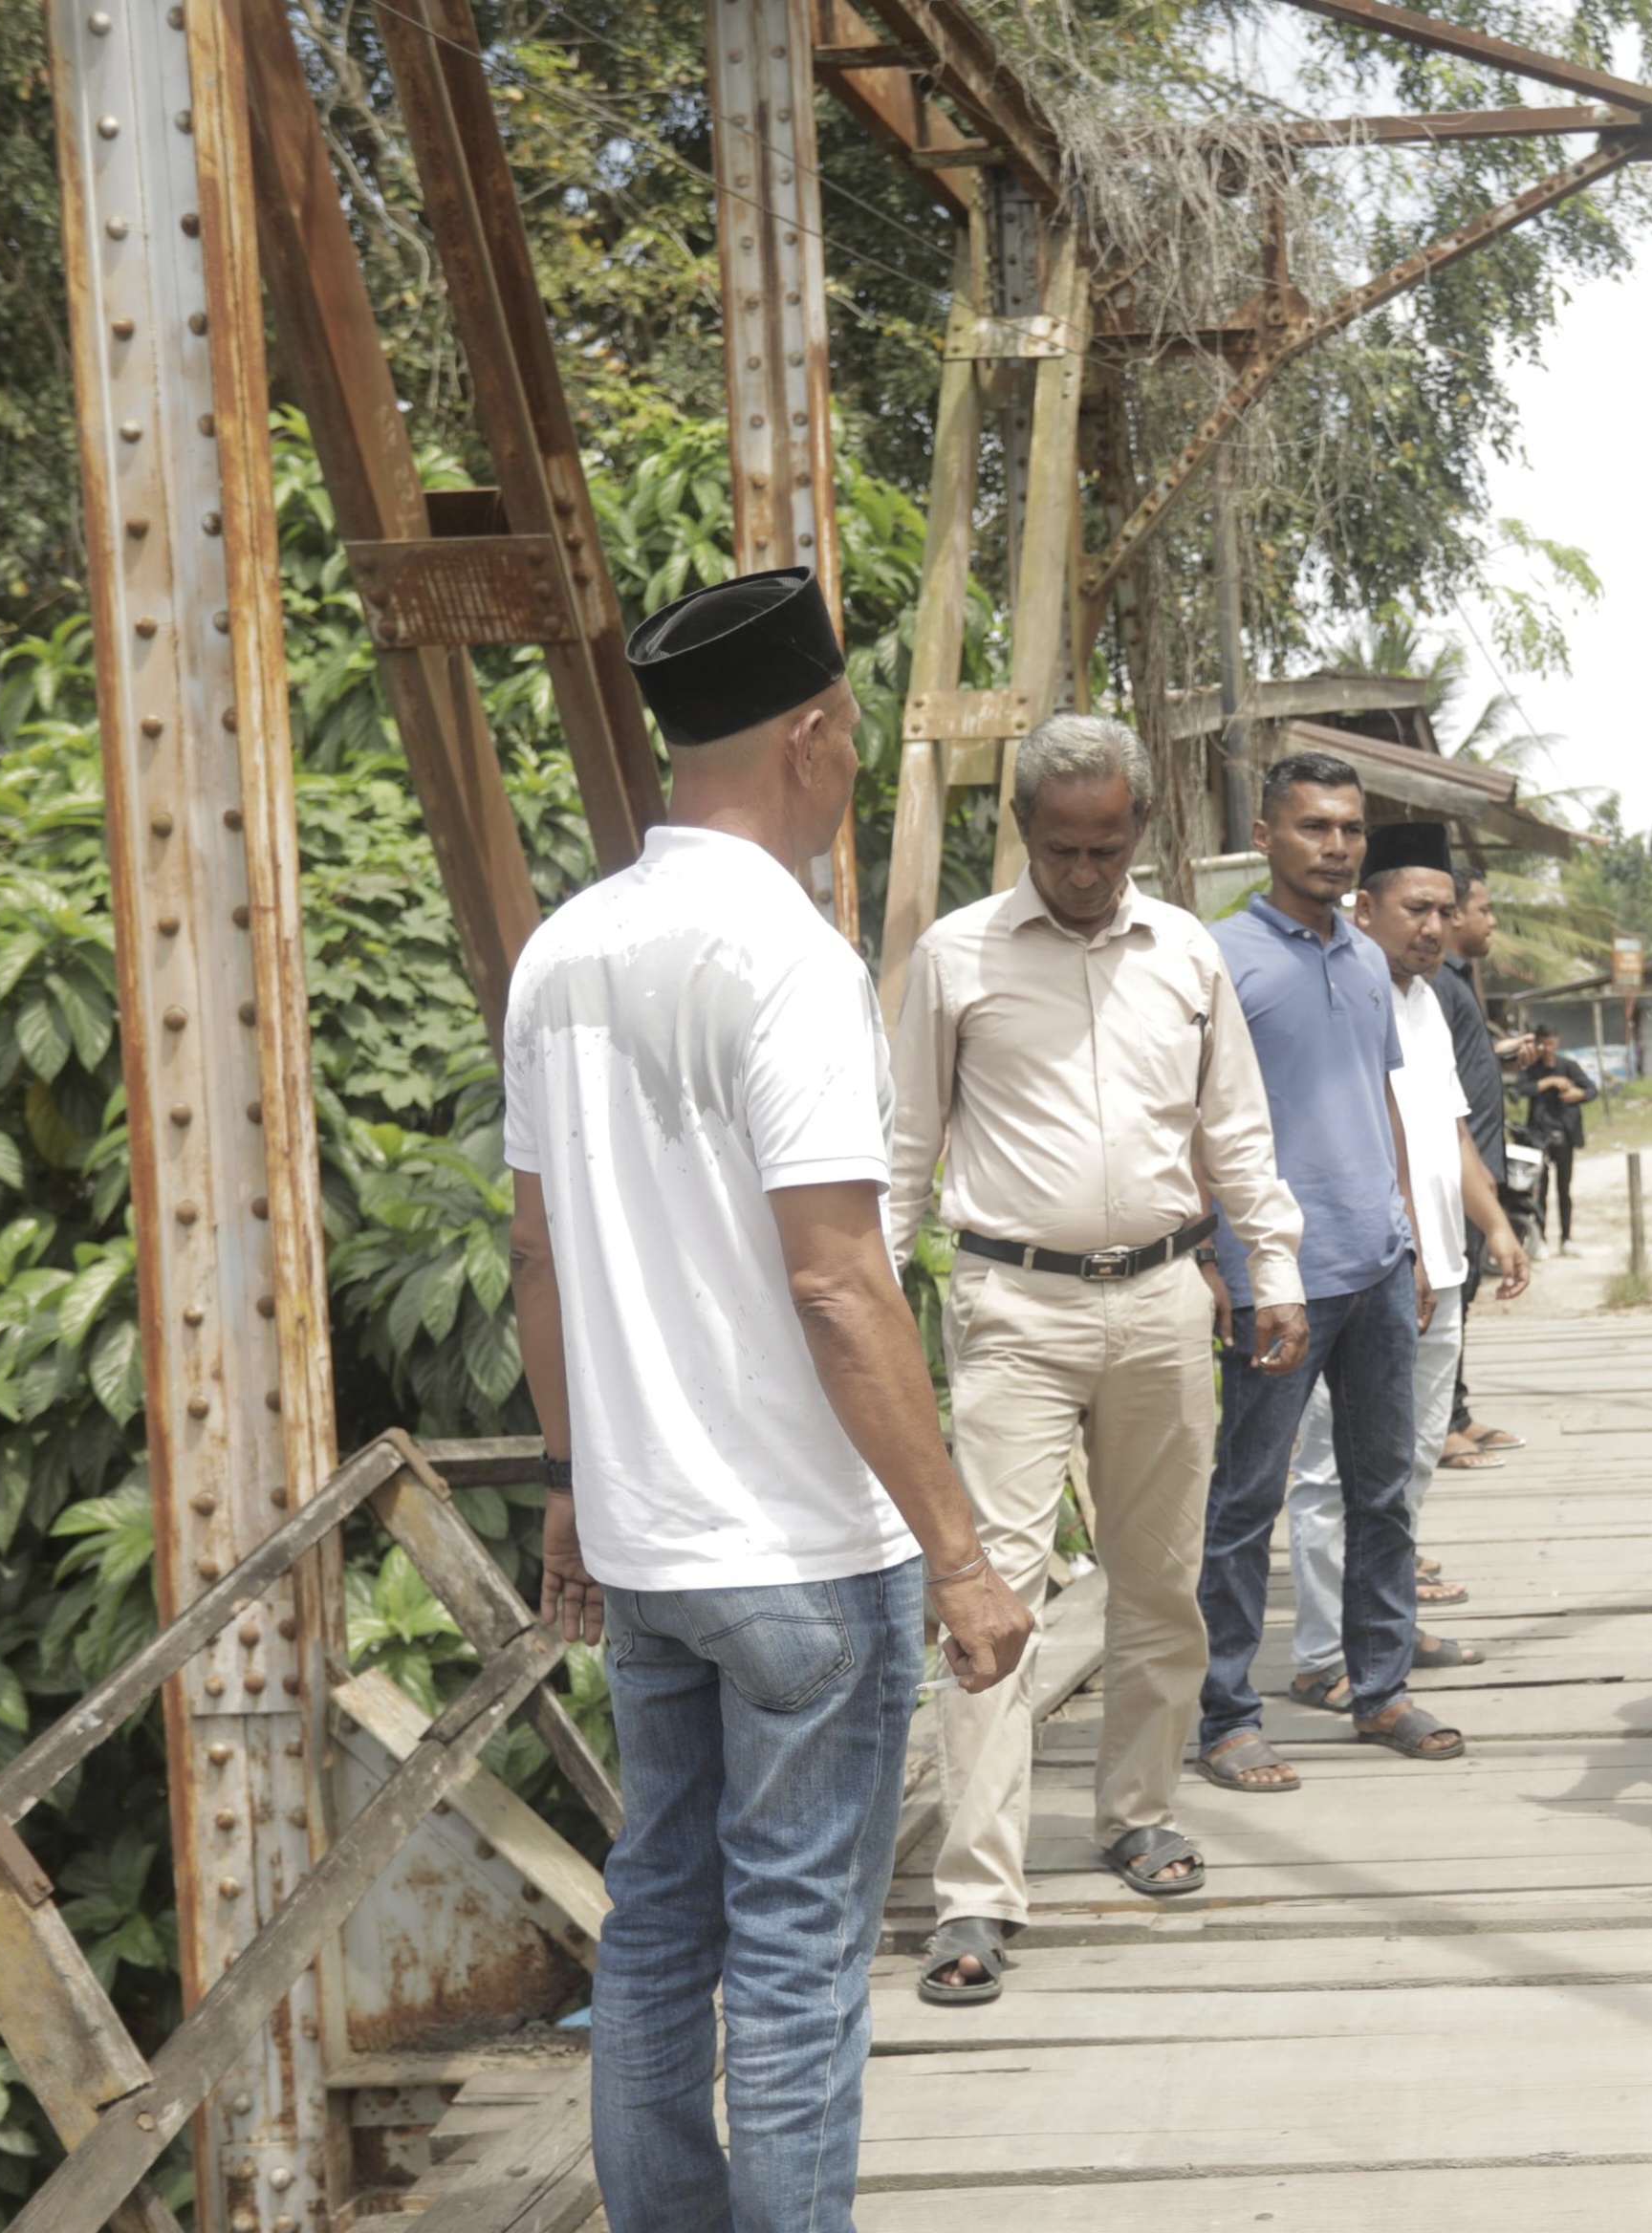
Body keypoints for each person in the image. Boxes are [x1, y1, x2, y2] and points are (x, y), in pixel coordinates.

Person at [503, 567, 1032, 2233]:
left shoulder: (562, 951)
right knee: (799, 1956)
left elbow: (537, 1261)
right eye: (852, 731)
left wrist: (573, 1477)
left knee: (658, 1920)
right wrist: (957, 1549)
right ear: (810, 734)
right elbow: (835, 1281)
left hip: (652, 1546)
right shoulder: (787, 959)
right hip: (804, 1550)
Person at [882, 712, 1309, 2005]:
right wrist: (870, 1298)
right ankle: (975, 1892)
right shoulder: (955, 958)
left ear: (1139, 834)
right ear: (1024, 835)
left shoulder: (1184, 950)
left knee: (1162, 1578)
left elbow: (1234, 1125)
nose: (1086, 872)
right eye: (1064, 850)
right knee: (991, 1599)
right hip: (1015, 1309)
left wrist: (1271, 1264)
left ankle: (1136, 1810)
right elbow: (906, 1146)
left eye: (1109, 847)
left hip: (1168, 1300)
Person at [1196, 750, 1464, 1789]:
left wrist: (1409, 1235)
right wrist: (1213, 1258)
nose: (1336, 845)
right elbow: (1189, 1117)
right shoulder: (1216, 958)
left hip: (1378, 1265)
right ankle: (1226, 1712)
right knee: (1246, 1499)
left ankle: (1380, 1684)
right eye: (1313, 826)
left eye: (1349, 828)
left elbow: (1385, 1098)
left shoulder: (1364, 956)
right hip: (1274, 1278)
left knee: (1381, 1491)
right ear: (1264, 835)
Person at [1274, 826, 1532, 1713]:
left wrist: (1492, 1224)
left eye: (1444, 911)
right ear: (1366, 907)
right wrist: (1403, 1246)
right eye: (1415, 909)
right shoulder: (1334, 989)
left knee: (1407, 1467)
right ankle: (1318, 1653)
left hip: (1440, 1269)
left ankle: (1384, 1627)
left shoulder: (1427, 999)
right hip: (1352, 1270)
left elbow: (1450, 1128)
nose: (1433, 926)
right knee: (1326, 1472)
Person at [1438, 867, 1523, 1470]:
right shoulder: (1436, 985)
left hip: (1476, 1173)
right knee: (1446, 1303)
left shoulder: (1451, 983)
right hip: (1454, 1178)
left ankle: (1456, 1412)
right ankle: (1439, 1422)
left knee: (1462, 1298)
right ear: (1454, 915)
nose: (1491, 921)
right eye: (1484, 909)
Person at [1520, 1025, 1596, 1250]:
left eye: (1551, 1044)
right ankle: (1540, 1239)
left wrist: (1577, 1094)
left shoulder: (1568, 1066)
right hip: (1539, 1137)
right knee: (1539, 1190)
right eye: (1543, 1044)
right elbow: (1519, 1090)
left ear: (1557, 1042)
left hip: (1565, 1135)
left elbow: (1591, 1090)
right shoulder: (1532, 1069)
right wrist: (1549, 1082)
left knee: (1564, 1190)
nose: (1548, 1049)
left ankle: (1566, 1238)